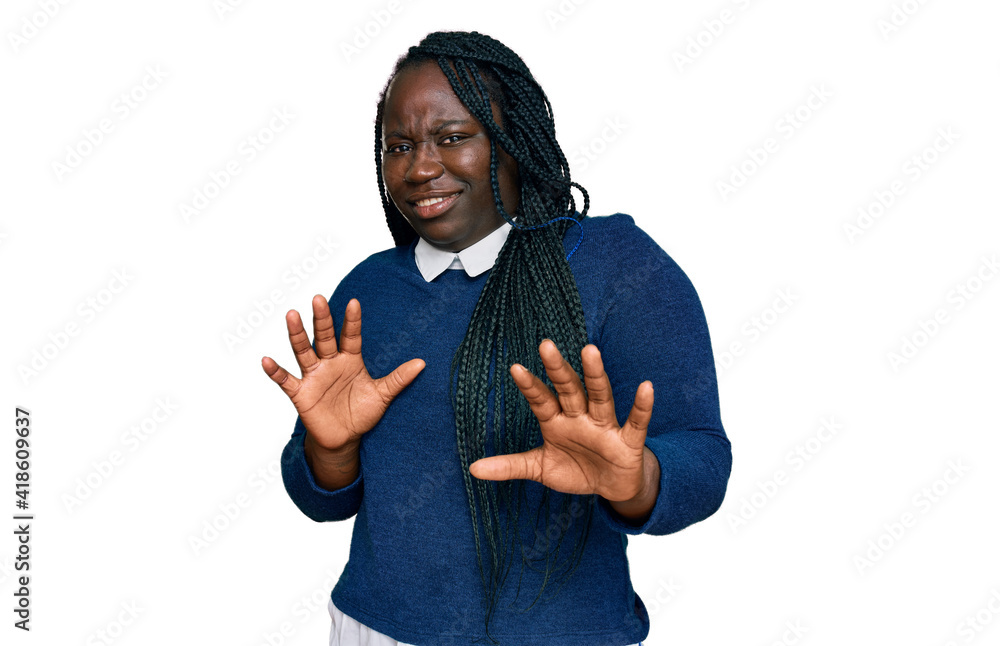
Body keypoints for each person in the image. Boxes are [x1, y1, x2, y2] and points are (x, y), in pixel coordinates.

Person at [262, 30, 731, 646]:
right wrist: (329, 452)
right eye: (399, 146)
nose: (421, 167)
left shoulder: (616, 266)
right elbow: (322, 500)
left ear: (515, 142)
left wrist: (638, 480)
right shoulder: (370, 290)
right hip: (373, 629)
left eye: (453, 137)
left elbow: (703, 458)